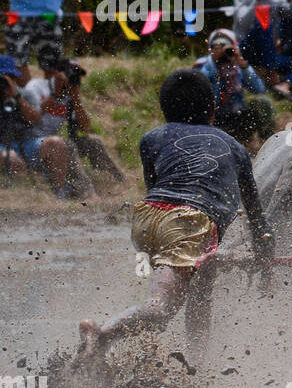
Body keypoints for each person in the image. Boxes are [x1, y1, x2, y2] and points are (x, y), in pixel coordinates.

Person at [73, 69, 274, 370]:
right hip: (188, 224)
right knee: (159, 310)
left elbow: (155, 188)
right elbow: (257, 218)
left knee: (201, 288)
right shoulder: (235, 148)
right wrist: (265, 257)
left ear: (165, 111)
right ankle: (101, 334)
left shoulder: (151, 138)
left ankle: (196, 366)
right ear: (213, 110)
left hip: (145, 218)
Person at [0, 55, 72, 196]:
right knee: (9, 157)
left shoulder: (24, 95)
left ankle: (59, 191)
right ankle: (34, 193)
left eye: (9, 77)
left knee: (56, 143)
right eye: (0, 78)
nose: (5, 81)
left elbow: (35, 119)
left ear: (15, 78)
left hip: (25, 143)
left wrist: (16, 96)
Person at [22, 45, 125, 195]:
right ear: (57, 72)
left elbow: (84, 128)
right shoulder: (36, 86)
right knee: (68, 144)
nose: (73, 79)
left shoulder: (69, 96)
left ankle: (120, 185)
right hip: (32, 144)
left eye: (76, 77)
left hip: (54, 144)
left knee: (93, 142)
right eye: (70, 75)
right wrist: (55, 94)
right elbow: (31, 119)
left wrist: (76, 99)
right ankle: (88, 193)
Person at [194, 29, 276, 147]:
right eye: (218, 47)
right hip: (214, 120)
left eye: (227, 48)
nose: (224, 52)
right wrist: (213, 63)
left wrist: (243, 66)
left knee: (263, 103)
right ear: (211, 49)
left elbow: (259, 89)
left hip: (238, 116)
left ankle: (268, 144)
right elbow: (198, 88)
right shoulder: (204, 65)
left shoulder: (238, 66)